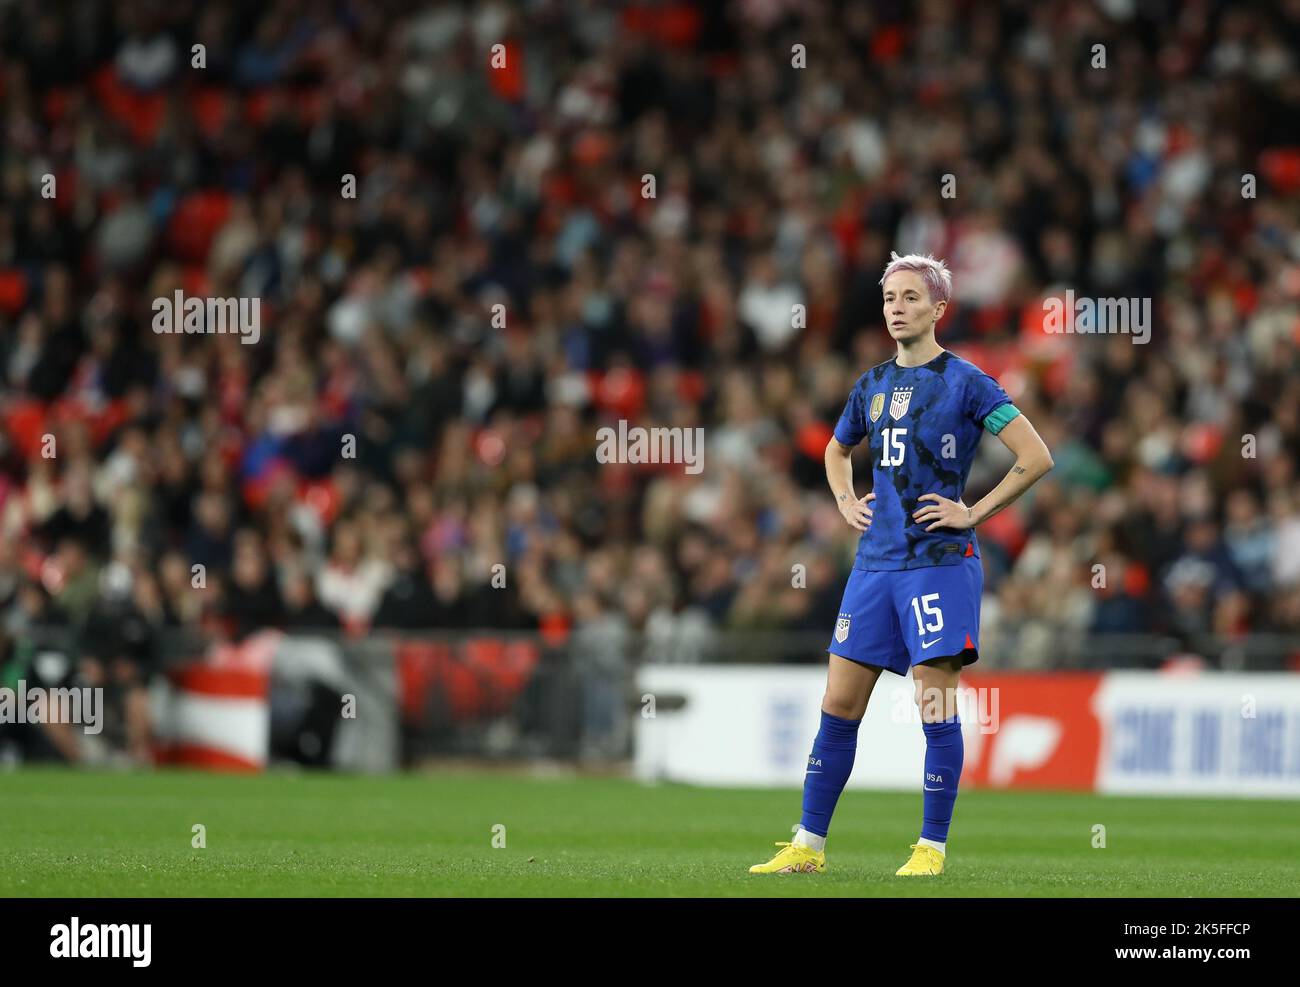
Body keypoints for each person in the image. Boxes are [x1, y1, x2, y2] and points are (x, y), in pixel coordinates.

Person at [749, 253, 1054, 877]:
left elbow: (1035, 455)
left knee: (934, 705)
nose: (897, 308)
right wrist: (843, 499)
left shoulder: (968, 382)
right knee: (838, 704)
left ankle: (930, 848)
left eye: (911, 298)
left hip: (939, 564)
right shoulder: (870, 385)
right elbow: (837, 453)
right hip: (874, 566)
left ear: (938, 309)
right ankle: (807, 846)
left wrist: (974, 511)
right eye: (890, 299)